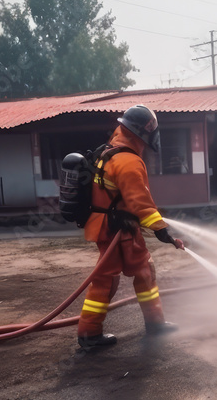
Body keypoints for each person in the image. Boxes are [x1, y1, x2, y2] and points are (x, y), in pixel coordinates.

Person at [78, 105, 184, 350]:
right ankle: (89, 333)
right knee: (109, 280)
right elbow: (140, 202)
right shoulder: (128, 161)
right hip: (118, 230)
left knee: (141, 272)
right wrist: (162, 230)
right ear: (143, 132)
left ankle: (151, 323)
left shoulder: (108, 152)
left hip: (113, 227)